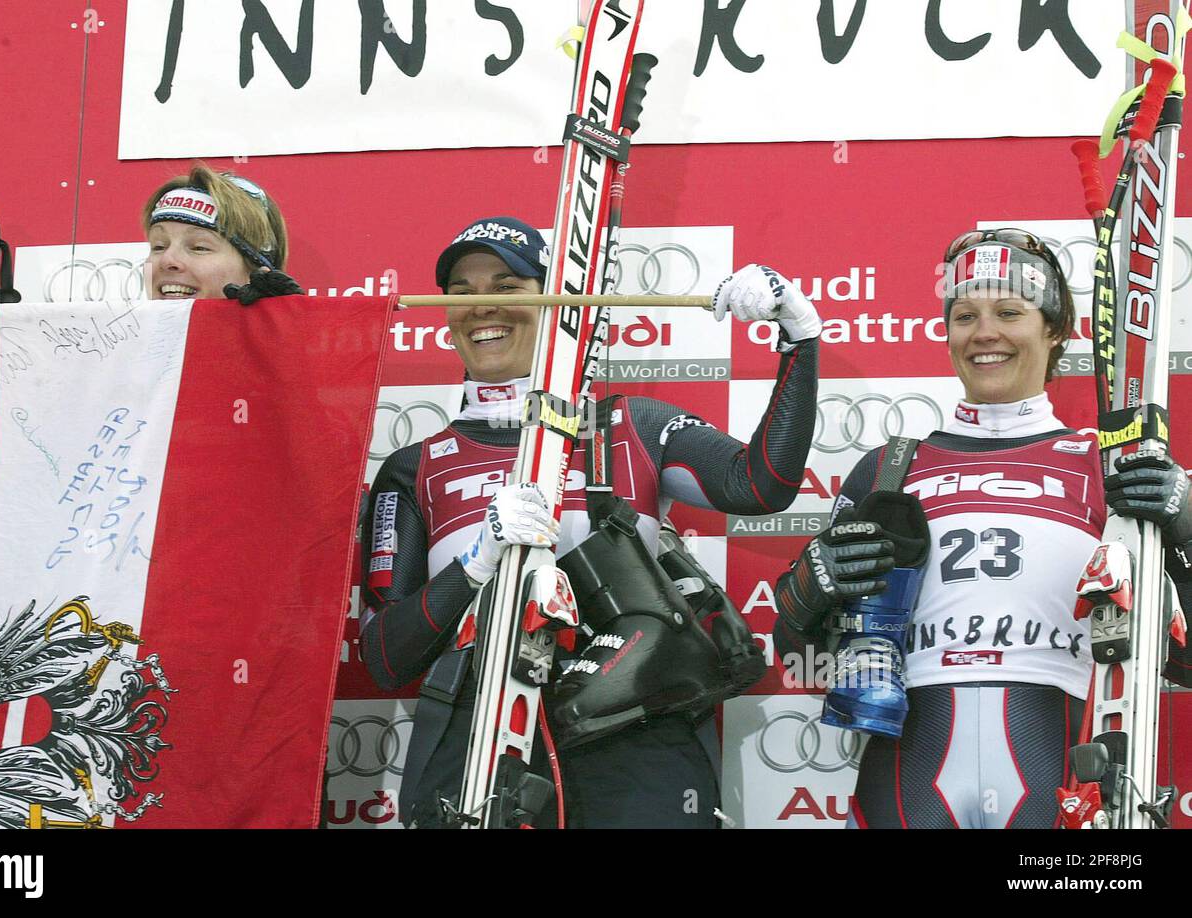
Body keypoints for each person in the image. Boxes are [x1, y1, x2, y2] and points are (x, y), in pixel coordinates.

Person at [360, 216, 822, 828]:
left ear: (561, 305)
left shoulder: (629, 427)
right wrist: (476, 564)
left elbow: (761, 486)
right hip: (478, 743)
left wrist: (799, 337)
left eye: (507, 288)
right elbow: (385, 658)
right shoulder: (413, 467)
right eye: (463, 292)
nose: (481, 307)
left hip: (633, 735)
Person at [772, 227, 1192, 828]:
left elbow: (1184, 661)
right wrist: (808, 590)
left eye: (1009, 312)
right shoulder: (890, 467)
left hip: (1062, 755)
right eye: (964, 314)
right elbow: (804, 657)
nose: (985, 332)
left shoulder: (1109, 464)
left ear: (1053, 332)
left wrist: (1188, 529)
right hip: (910, 762)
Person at [141, 163, 303, 305]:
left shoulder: (291, 338)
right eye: (158, 246)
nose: (167, 260)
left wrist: (284, 331)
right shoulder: (125, 338)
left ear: (258, 275)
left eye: (199, 247)